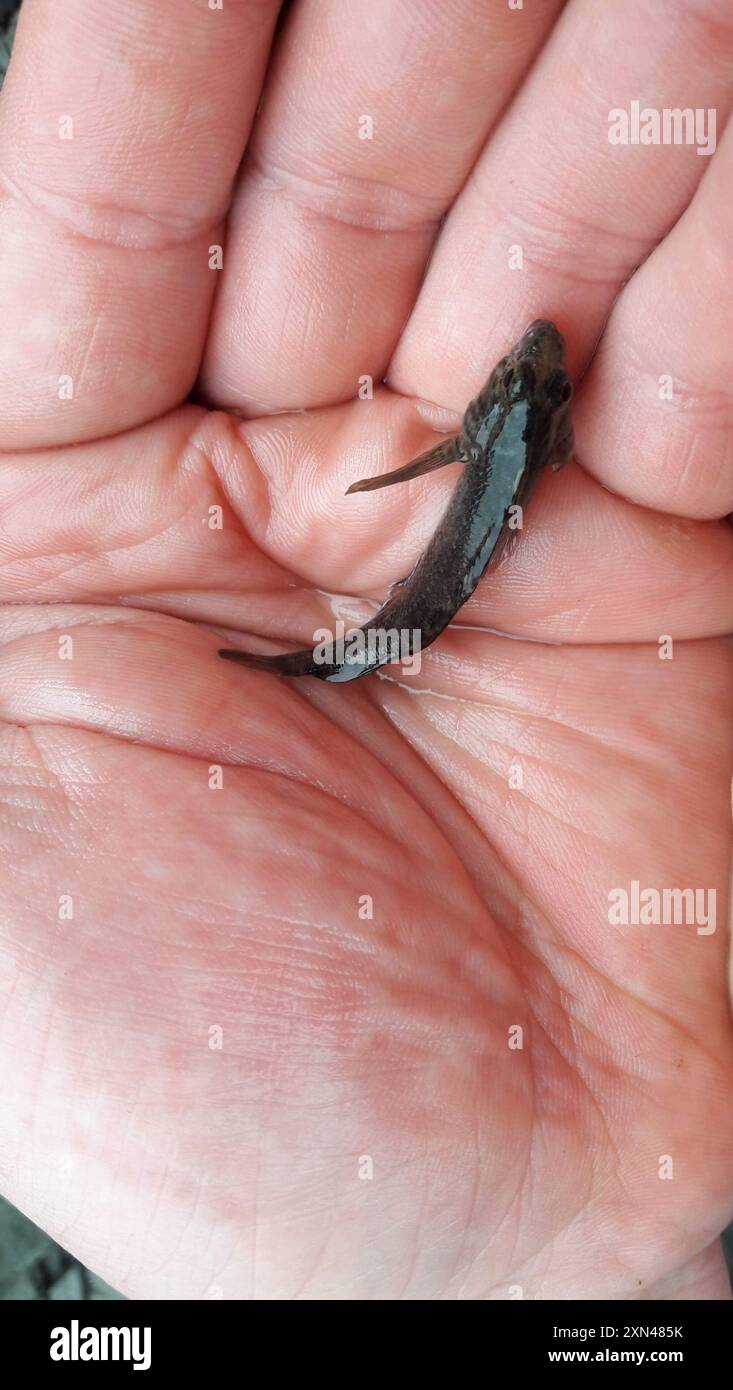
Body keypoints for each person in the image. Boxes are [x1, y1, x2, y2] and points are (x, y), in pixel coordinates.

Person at [0, 0, 731, 1300]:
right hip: (429, 591)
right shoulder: (521, 426)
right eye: (523, 360)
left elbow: (497, 444)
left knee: (397, 618)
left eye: (522, 364)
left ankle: (328, 661)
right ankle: (326, 662)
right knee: (388, 624)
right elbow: (504, 445)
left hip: (437, 587)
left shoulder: (507, 427)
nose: (526, 351)